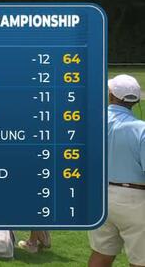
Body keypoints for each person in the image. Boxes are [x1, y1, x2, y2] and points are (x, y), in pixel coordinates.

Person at [88, 74, 145, 267]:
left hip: (100, 196)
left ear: (111, 95)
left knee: (101, 254)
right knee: (140, 261)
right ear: (135, 100)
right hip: (135, 199)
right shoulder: (141, 130)